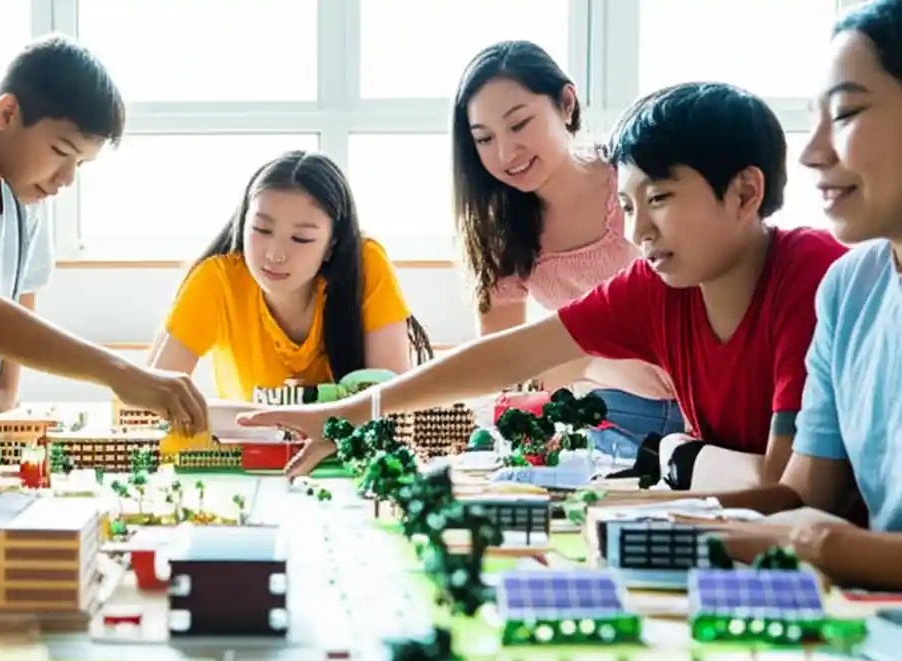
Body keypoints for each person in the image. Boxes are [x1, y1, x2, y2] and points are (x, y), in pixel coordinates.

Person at [240, 82, 847, 488]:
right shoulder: (656, 286)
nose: (639, 232)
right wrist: (349, 412)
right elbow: (507, 356)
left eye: (660, 198)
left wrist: (678, 458)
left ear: (745, 192)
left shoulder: (813, 274)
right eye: (628, 207)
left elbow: (785, 484)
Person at [0, 34, 207, 435]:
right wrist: (120, 373)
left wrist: (6, 392)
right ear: (8, 112)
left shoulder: (25, 195)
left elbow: (21, 292)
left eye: (80, 163)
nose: (66, 178)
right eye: (61, 152)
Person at [703, 0, 902, 590]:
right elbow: (806, 495)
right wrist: (643, 516)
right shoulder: (850, 287)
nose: (813, 152)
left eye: (844, 114)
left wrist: (821, 543)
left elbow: (813, 528)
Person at [452, 40, 680, 457]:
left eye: (519, 124)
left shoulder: (631, 178)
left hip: (700, 391)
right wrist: (593, 364)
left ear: (567, 104)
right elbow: (506, 364)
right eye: (484, 139)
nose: (505, 153)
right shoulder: (501, 232)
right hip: (611, 407)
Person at [148, 150, 432, 402]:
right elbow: (155, 395)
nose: (275, 254)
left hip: (348, 442)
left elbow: (393, 398)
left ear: (332, 244)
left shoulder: (365, 263)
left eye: (301, 238)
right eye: (261, 230)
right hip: (248, 443)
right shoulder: (217, 280)